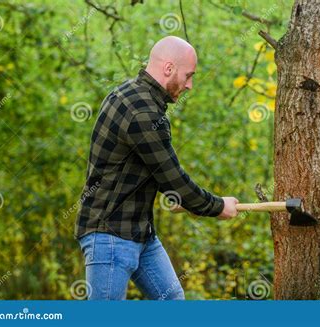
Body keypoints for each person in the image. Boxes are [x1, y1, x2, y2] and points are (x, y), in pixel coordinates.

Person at [74, 36, 239, 300]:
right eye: (188, 76)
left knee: (172, 302)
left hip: (140, 232)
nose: (190, 85)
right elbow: (173, 179)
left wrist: (182, 198)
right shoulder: (143, 112)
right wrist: (218, 206)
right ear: (169, 68)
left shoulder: (129, 94)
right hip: (110, 236)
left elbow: (146, 170)